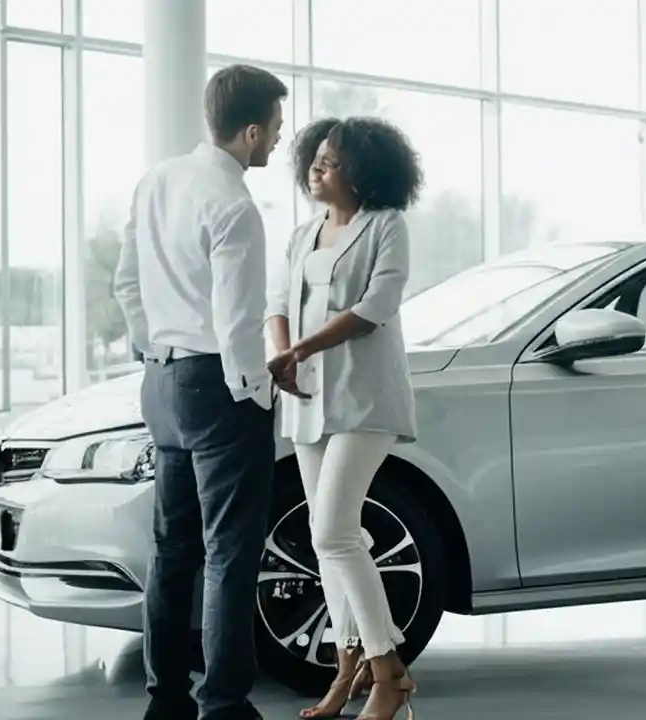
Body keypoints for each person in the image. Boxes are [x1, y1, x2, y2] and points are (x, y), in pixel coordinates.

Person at [114, 64, 287, 720]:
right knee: (231, 555)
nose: (276, 140)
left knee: (172, 549)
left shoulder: (156, 180)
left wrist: (150, 345)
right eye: (273, 128)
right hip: (216, 387)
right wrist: (256, 390)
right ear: (248, 132)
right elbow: (237, 319)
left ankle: (166, 701)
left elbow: (126, 283)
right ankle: (224, 705)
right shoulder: (234, 205)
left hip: (160, 382)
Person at [265, 116, 422, 720]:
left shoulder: (387, 227)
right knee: (331, 539)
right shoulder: (302, 234)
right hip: (308, 401)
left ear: (364, 172)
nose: (317, 168)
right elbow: (275, 303)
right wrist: (282, 354)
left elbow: (376, 307)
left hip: (365, 400)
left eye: (332, 161)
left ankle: (389, 673)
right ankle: (347, 667)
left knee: (332, 532)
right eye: (316, 158)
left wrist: (301, 350)